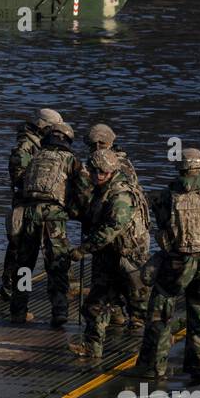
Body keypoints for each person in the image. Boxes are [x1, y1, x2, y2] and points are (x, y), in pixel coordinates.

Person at [136, 148, 200, 382]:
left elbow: (162, 221)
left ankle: (154, 368)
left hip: (177, 261)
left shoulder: (168, 193)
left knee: (160, 312)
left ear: (181, 168)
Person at [70, 149, 150, 360]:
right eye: (94, 171)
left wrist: (82, 249)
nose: (97, 176)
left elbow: (111, 229)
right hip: (109, 256)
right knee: (95, 305)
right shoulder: (101, 191)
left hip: (128, 257)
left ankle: (156, 349)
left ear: (111, 171)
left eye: (102, 172)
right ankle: (91, 349)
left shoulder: (120, 195)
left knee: (140, 304)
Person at [9, 121, 84, 326]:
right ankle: (59, 311)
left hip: (30, 213)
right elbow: (83, 188)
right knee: (57, 264)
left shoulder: (36, 157)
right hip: (54, 216)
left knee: (25, 265)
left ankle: (19, 309)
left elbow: (21, 183)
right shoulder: (70, 160)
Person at [2, 108, 63, 304]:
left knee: (35, 256)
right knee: (21, 253)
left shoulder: (44, 145)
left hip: (40, 208)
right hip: (25, 207)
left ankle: (19, 297)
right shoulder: (26, 146)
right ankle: (11, 288)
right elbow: (18, 176)